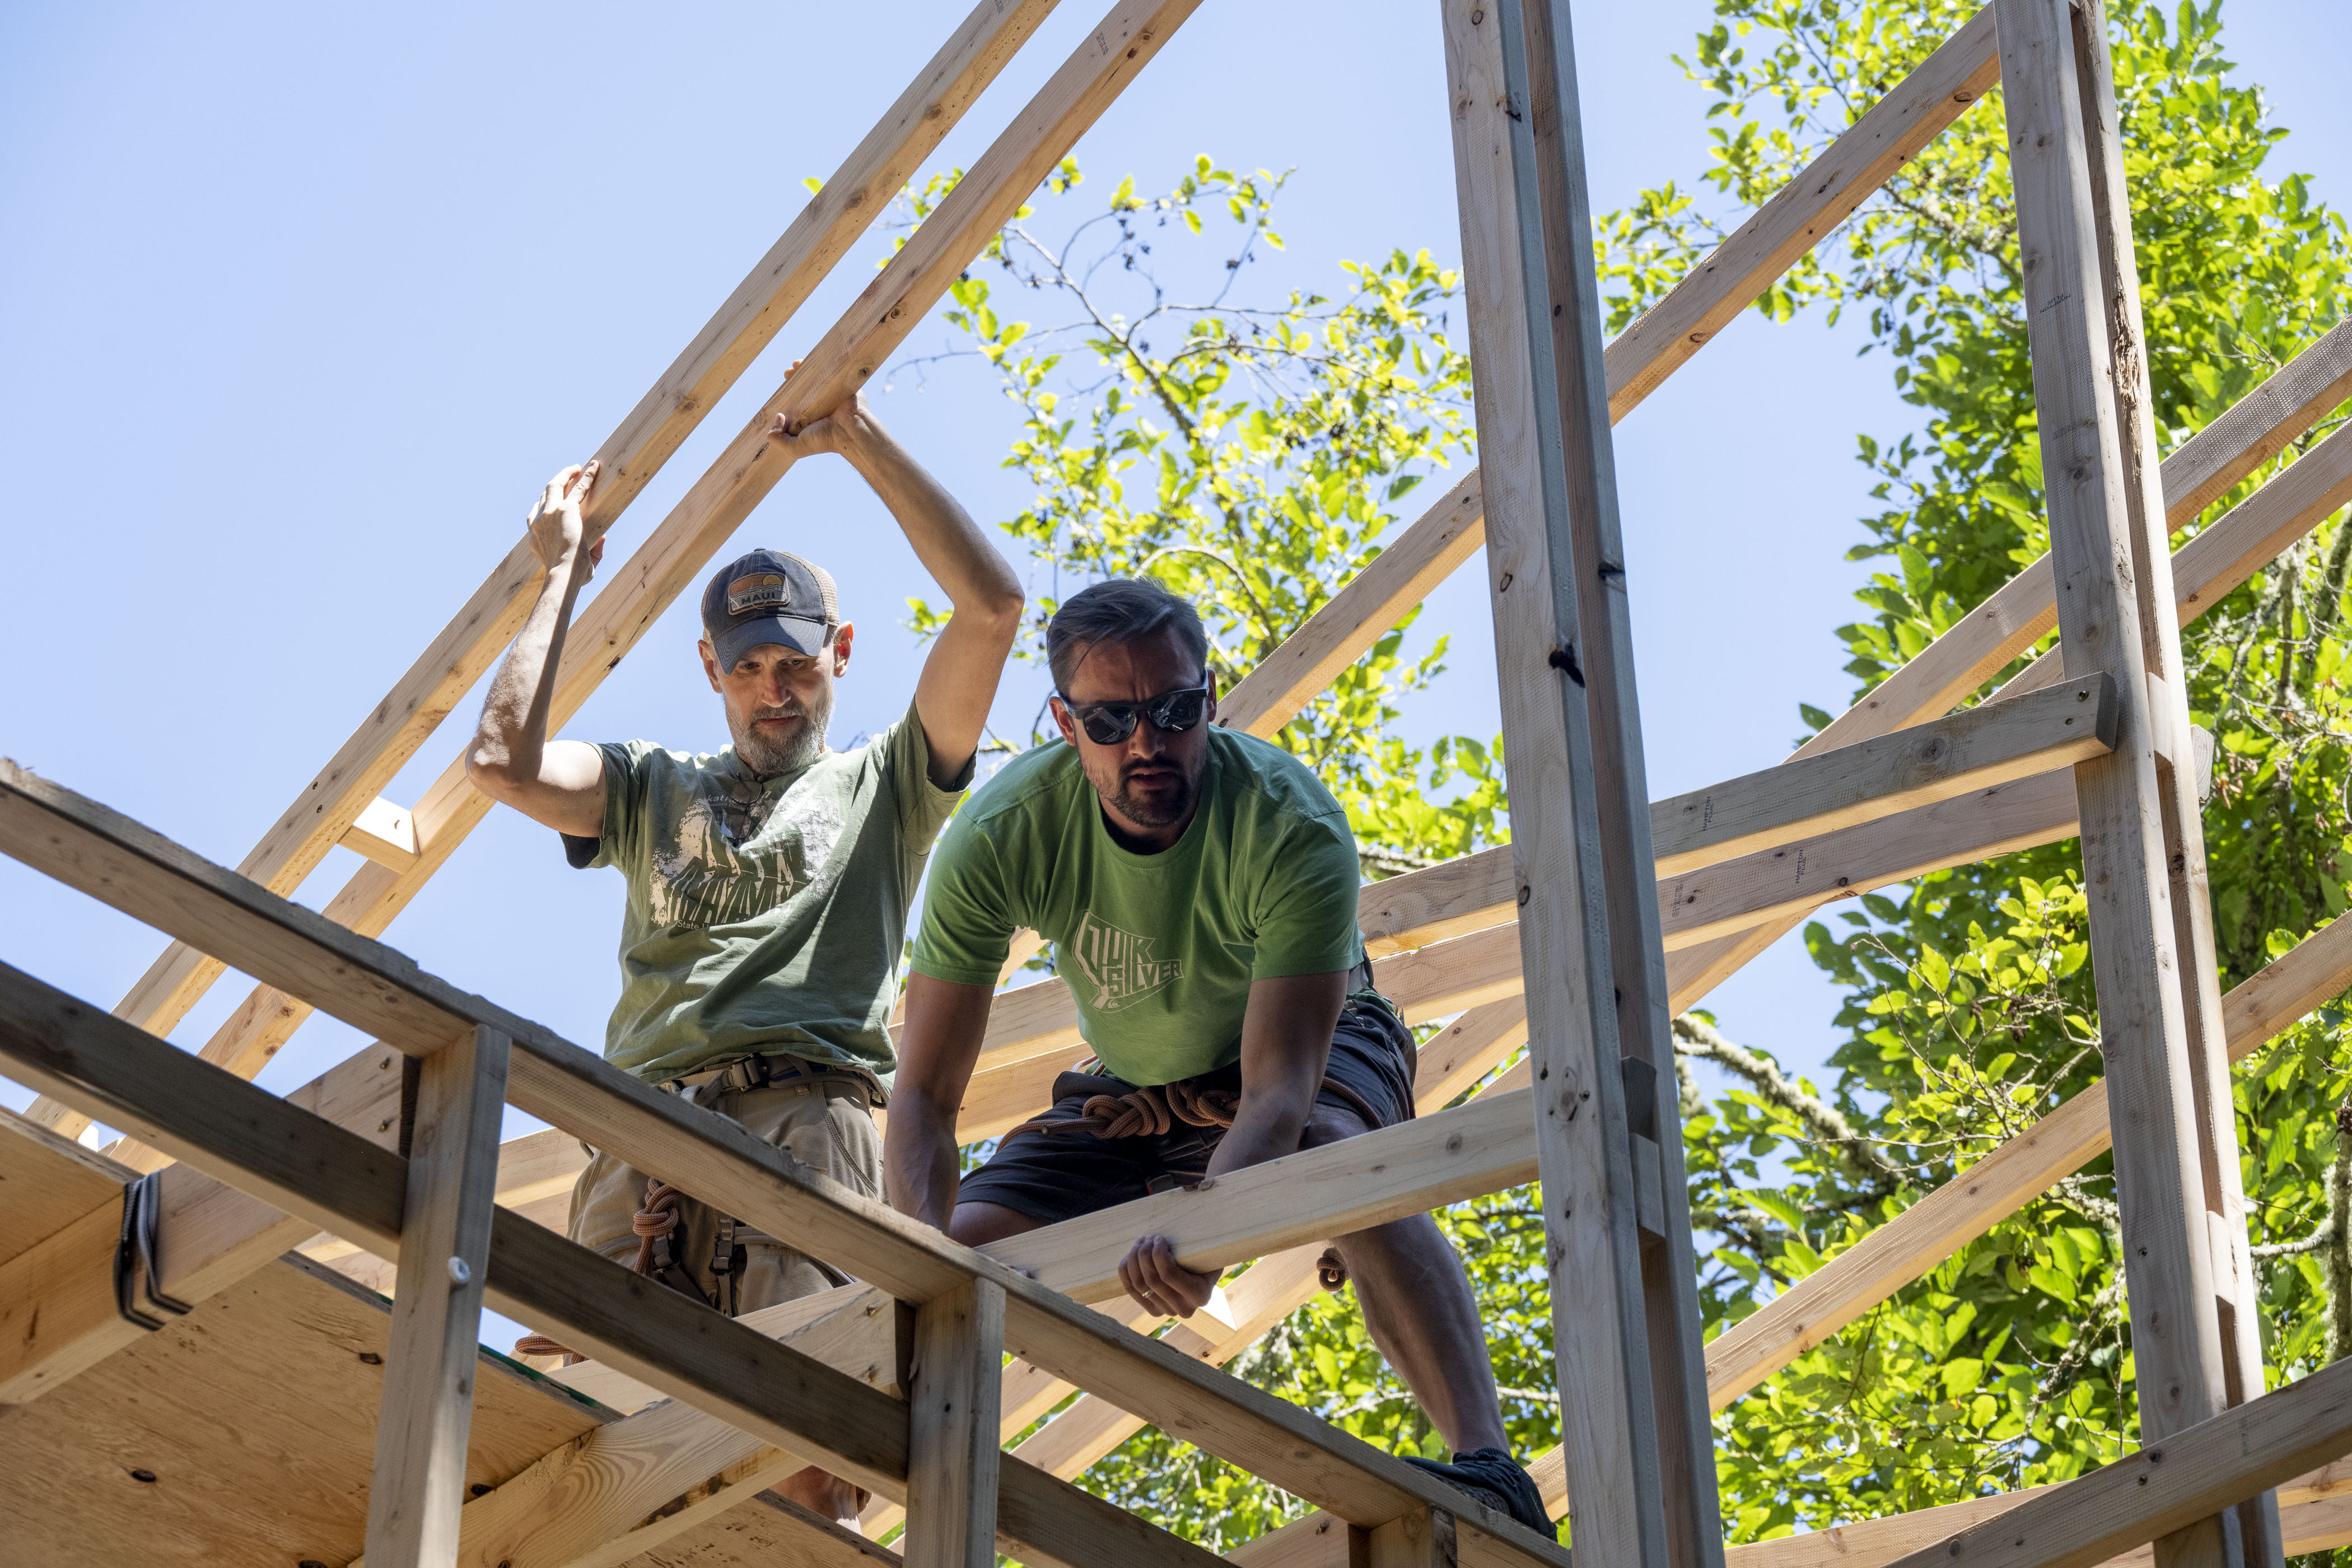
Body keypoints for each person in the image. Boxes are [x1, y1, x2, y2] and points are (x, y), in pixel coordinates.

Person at [886, 577, 1555, 1539]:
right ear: (1065, 725)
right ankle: (895, 1468)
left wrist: (1212, 1242)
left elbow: (1279, 1090)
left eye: (1175, 709)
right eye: (1112, 720)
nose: (1148, 744)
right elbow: (922, 1095)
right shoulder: (1000, 837)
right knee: (967, 1249)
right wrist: (927, 1276)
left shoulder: (1290, 822)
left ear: (1213, 697)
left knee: (1332, 1161)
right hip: (1138, 1086)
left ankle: (1490, 1468)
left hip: (1305, 1050)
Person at [465, 385, 1023, 1527]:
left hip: (806, 1121)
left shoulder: (885, 785)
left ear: (842, 654)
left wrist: (853, 434)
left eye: (801, 665)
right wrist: (562, 570)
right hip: (644, 1140)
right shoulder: (648, 786)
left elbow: (993, 608)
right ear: (714, 667)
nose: (778, 689)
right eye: (753, 666)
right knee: (613, 1456)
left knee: (811, 1453)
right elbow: (500, 761)